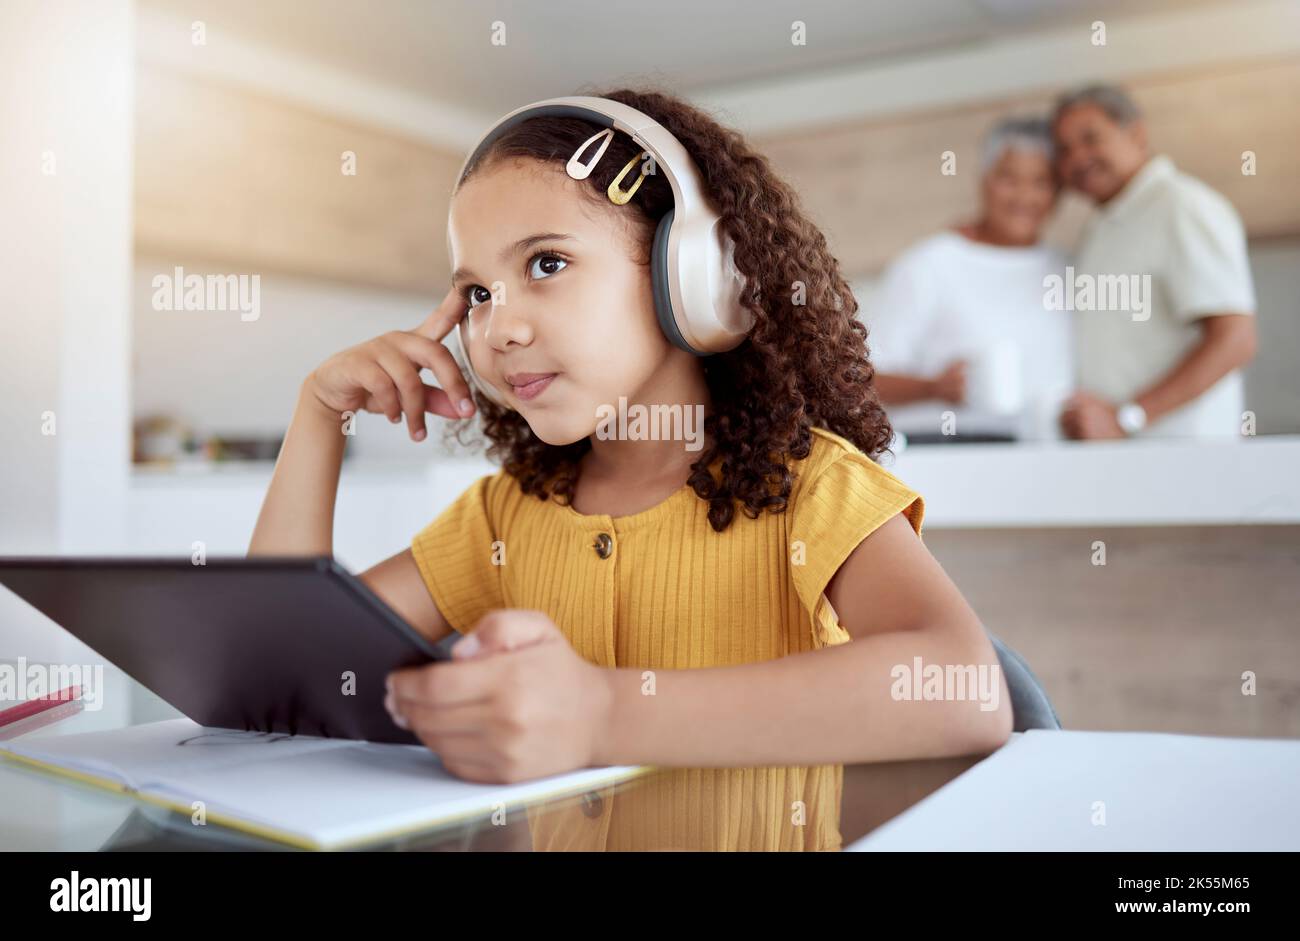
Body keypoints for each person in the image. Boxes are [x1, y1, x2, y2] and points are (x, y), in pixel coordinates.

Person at [248, 88, 1011, 851]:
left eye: (547, 263)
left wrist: (604, 713)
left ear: (691, 278)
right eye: (478, 293)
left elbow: (964, 688)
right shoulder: (503, 516)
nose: (500, 328)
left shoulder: (813, 488)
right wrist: (319, 416)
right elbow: (273, 681)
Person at [1052, 83, 1257, 439]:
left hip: (1182, 455)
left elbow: (1235, 338)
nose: (1077, 159)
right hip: (1126, 457)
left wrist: (1129, 418)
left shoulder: (1181, 206)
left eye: (1091, 139)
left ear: (1137, 134)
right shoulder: (1101, 226)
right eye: (1064, 150)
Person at [868, 117, 1072, 441]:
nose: (1024, 196)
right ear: (984, 181)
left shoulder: (1068, 269)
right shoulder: (930, 264)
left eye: (1041, 182)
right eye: (1009, 178)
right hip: (951, 452)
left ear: (1058, 193)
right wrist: (933, 388)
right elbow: (858, 378)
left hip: (1049, 456)